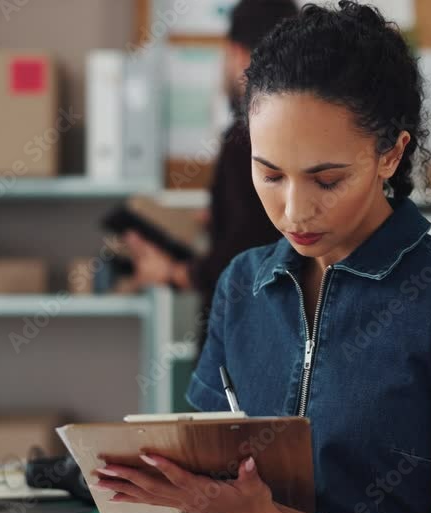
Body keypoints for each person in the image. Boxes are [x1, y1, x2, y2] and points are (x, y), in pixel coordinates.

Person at [97, 2, 431, 513]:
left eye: (327, 180)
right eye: (270, 174)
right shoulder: (243, 283)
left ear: (391, 155)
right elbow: (220, 504)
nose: (294, 211)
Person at [122, 0, 299, 354]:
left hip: (242, 339)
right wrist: (215, 217)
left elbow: (244, 253)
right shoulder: (298, 129)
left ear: (237, 52)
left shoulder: (246, 138)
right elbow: (260, 227)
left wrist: (171, 273)